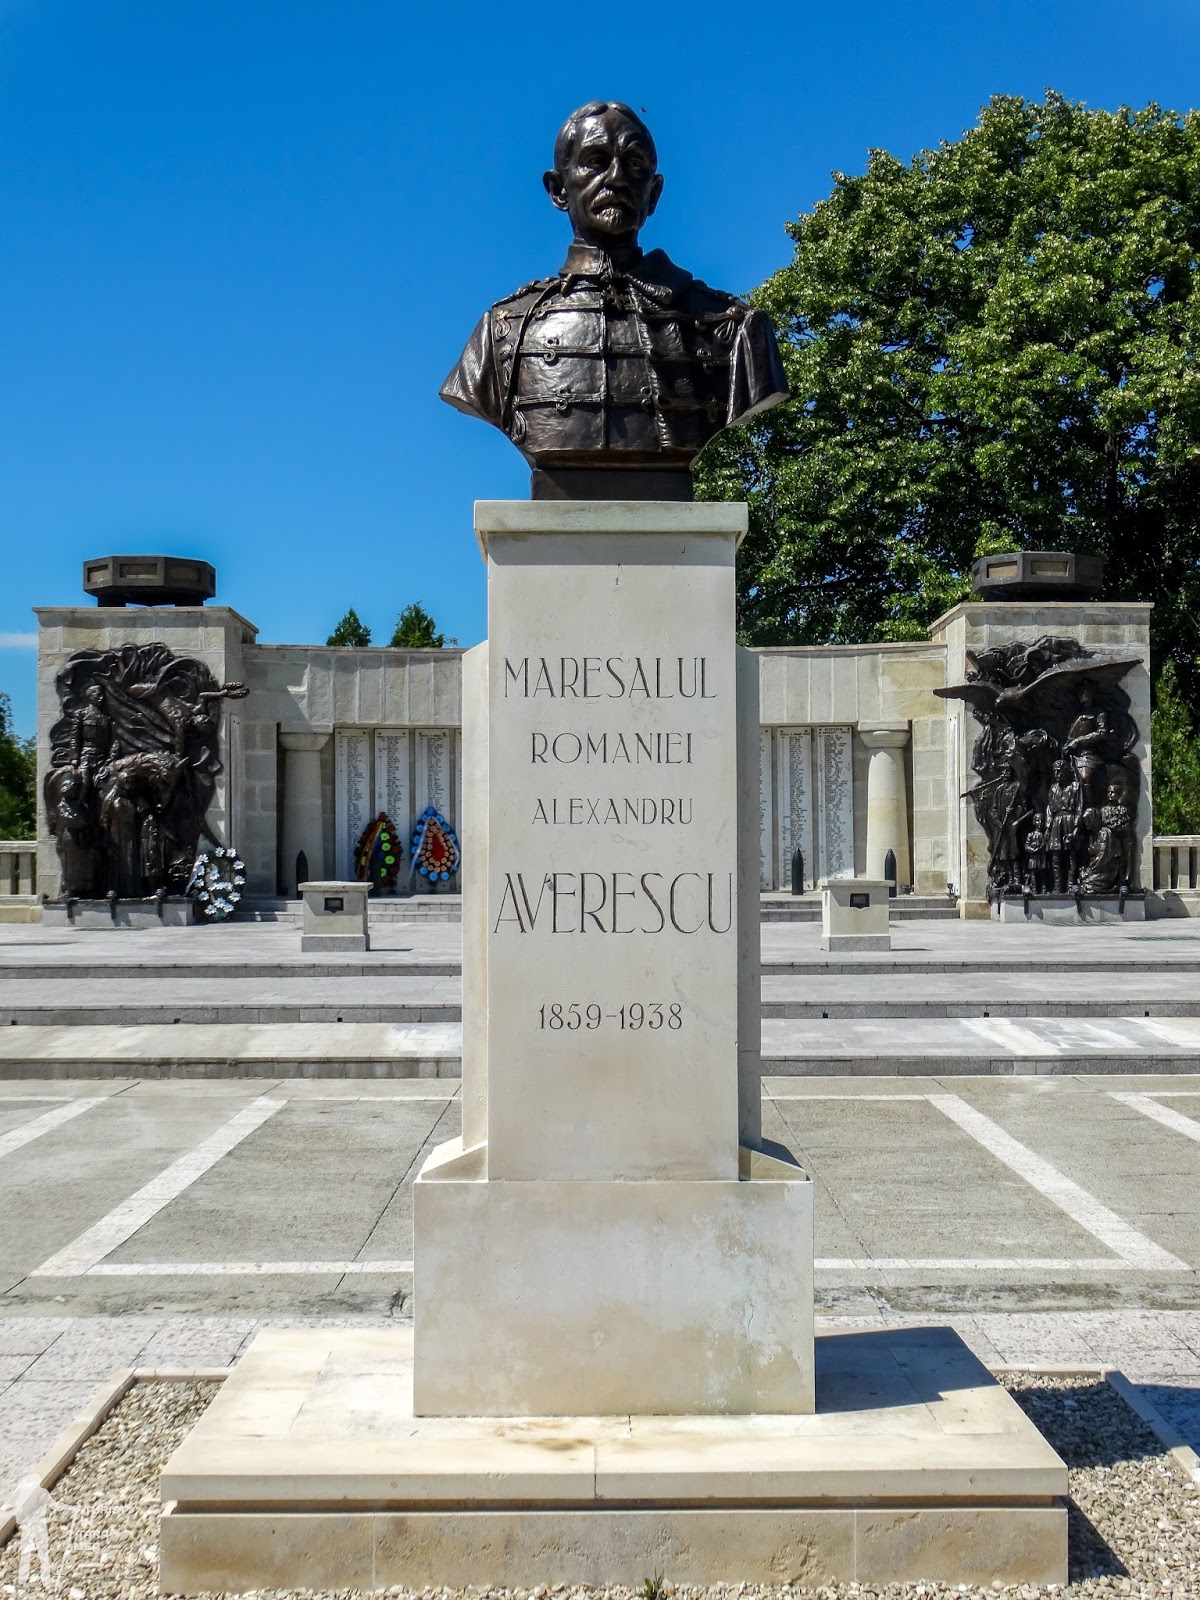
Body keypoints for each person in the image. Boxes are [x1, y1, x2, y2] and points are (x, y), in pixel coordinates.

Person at [440, 102, 789, 499]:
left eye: (634, 163)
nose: (617, 178)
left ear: (654, 193)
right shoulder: (503, 330)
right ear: (557, 189)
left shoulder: (731, 329)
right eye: (595, 161)